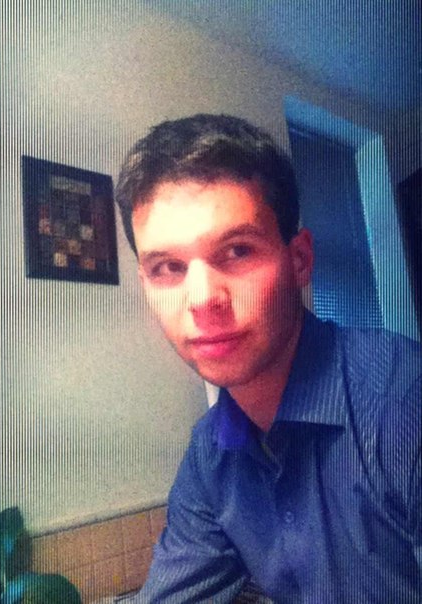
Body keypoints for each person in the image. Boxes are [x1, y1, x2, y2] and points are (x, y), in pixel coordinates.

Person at [115, 114, 422, 603]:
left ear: (299, 260)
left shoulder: (404, 403)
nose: (202, 299)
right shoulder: (210, 455)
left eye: (237, 250)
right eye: (168, 267)